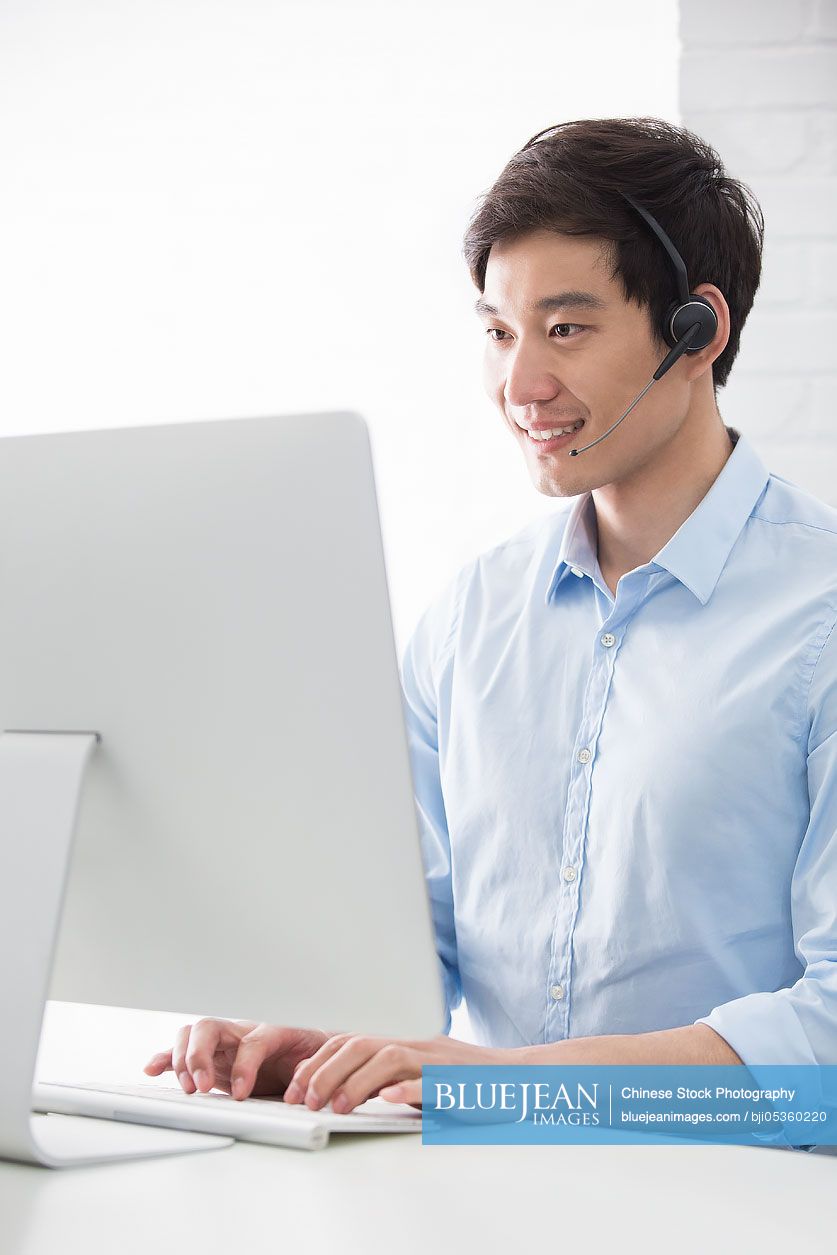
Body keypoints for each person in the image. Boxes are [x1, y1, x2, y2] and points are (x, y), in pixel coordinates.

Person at [145, 117, 837, 1117]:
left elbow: (827, 1047)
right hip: (481, 1192)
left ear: (698, 332)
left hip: (737, 1206)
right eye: (500, 332)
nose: (520, 387)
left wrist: (512, 1084)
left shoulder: (816, 618)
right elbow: (409, 939)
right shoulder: (470, 616)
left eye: (565, 330)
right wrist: (309, 1033)